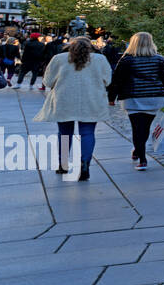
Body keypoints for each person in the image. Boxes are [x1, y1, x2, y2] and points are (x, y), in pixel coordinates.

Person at [34, 37, 112, 180]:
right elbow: (108, 80)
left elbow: (47, 81)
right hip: (91, 100)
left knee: (64, 133)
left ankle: (63, 164)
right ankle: (84, 165)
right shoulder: (100, 59)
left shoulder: (59, 58)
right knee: (87, 132)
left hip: (64, 99)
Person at [109, 32, 164, 171]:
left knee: (137, 128)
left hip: (133, 97)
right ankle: (139, 151)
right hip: (154, 97)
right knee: (144, 128)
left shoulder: (127, 60)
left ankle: (142, 158)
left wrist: (111, 98)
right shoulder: (159, 60)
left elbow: (117, 80)